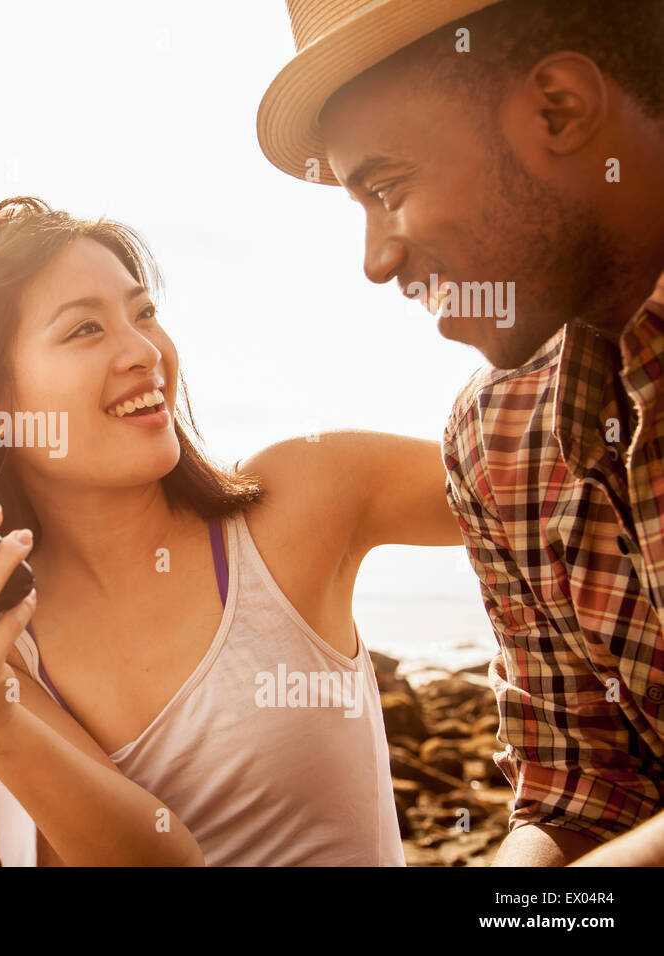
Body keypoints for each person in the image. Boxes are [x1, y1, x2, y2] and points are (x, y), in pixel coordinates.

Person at [0, 196, 466, 865]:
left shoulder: (305, 493)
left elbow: (538, 479)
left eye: (144, 312)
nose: (144, 350)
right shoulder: (3, 643)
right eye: (84, 331)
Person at [256, 0, 664, 865]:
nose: (374, 261)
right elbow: (578, 791)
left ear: (559, 109)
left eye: (387, 188)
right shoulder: (494, 438)